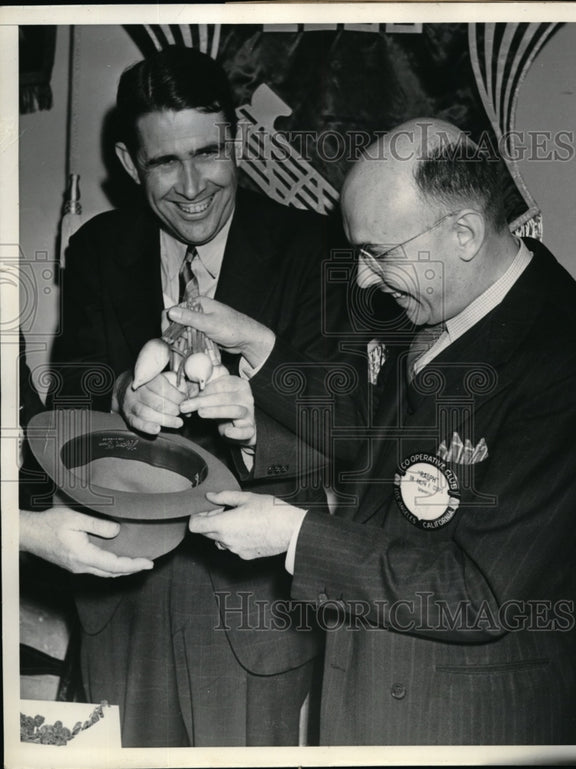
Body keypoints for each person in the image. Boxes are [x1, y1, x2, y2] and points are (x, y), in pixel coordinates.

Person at [171, 118, 576, 744]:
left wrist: (295, 535)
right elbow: (381, 446)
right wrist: (259, 373)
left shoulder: (567, 353)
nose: (363, 279)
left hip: (462, 724)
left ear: (465, 233)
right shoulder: (434, 302)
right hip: (364, 697)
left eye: (379, 254)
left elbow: (482, 593)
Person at [44, 46, 351, 747]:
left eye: (208, 154)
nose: (190, 186)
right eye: (163, 163)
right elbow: (63, 400)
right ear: (129, 164)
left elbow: (344, 423)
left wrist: (251, 416)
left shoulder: (313, 248)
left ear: (237, 141)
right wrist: (123, 395)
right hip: (121, 598)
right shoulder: (95, 251)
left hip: (254, 613)